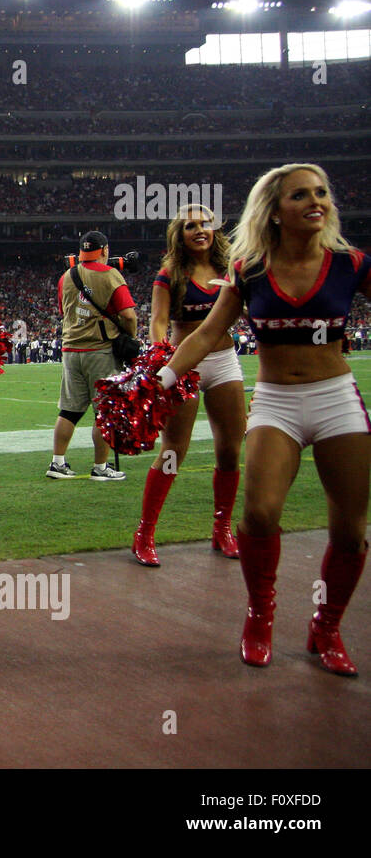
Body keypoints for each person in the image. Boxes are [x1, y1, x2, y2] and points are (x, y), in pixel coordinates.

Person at [161, 164, 369, 675]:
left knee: (349, 530)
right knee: (259, 516)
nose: (316, 201)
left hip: (337, 398)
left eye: (322, 192)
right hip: (276, 401)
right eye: (301, 195)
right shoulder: (249, 269)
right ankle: (259, 617)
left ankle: (327, 627)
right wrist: (159, 380)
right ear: (274, 211)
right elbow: (208, 334)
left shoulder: (353, 263)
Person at [131, 205, 246, 566]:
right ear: (179, 235)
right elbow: (159, 320)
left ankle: (222, 528)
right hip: (183, 365)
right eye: (190, 226)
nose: (200, 230)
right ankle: (145, 534)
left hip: (225, 361)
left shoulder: (232, 270)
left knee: (230, 450)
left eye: (205, 225)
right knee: (172, 451)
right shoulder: (170, 274)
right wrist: (163, 358)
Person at [47, 231, 137, 481]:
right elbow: (128, 315)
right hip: (99, 349)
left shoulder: (66, 276)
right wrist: (130, 336)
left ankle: (57, 463)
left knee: (69, 411)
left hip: (70, 348)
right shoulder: (110, 275)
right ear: (105, 250)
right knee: (104, 411)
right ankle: (100, 466)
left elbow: (63, 310)